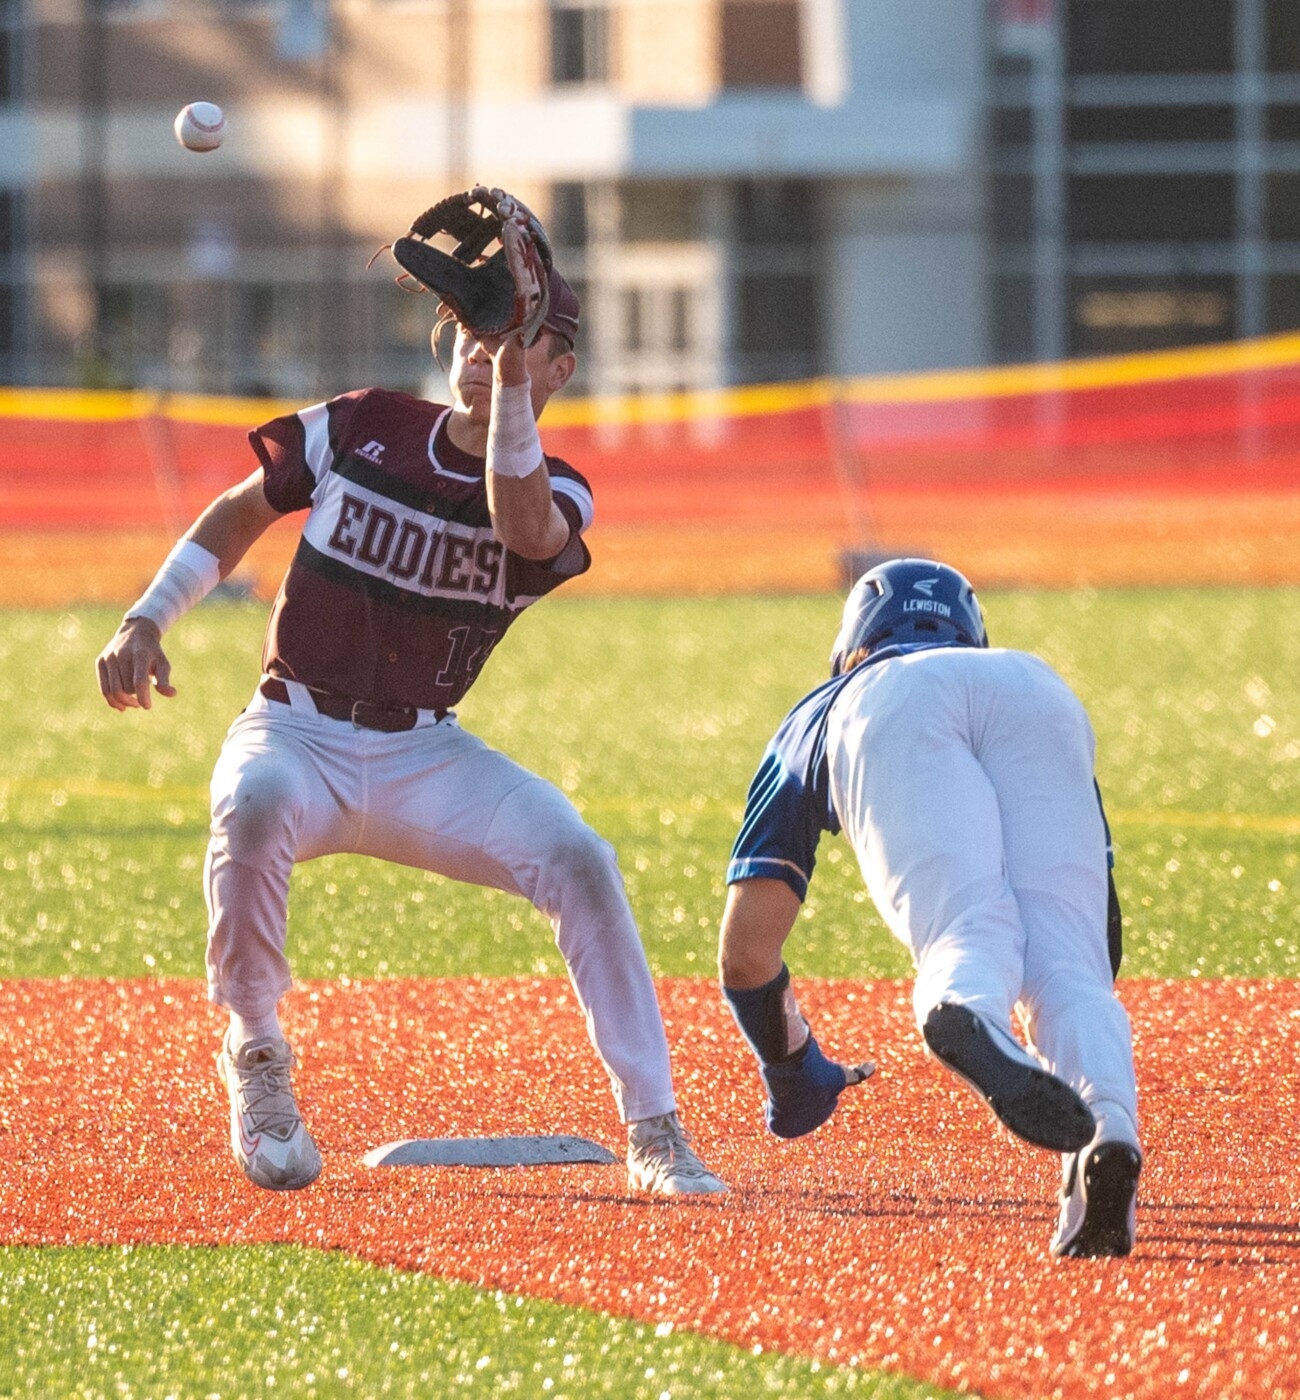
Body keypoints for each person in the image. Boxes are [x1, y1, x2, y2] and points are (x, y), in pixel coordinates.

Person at [95, 252, 724, 1199]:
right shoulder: (365, 423)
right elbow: (242, 507)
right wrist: (148, 614)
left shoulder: (562, 487)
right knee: (254, 804)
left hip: (425, 752)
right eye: (474, 331)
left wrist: (509, 383)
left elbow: (523, 528)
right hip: (294, 731)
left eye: (518, 339)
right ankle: (257, 1054)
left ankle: (656, 1128)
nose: (483, 349)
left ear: (559, 371)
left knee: (581, 858)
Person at [717, 557, 1141, 1257]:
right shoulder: (1022, 673)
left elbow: (747, 947)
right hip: (1038, 692)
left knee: (964, 933)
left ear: (852, 645)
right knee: (1071, 970)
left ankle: (967, 1010)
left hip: (893, 704)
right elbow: (1106, 928)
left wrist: (793, 1074)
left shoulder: (839, 694)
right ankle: (1110, 1131)